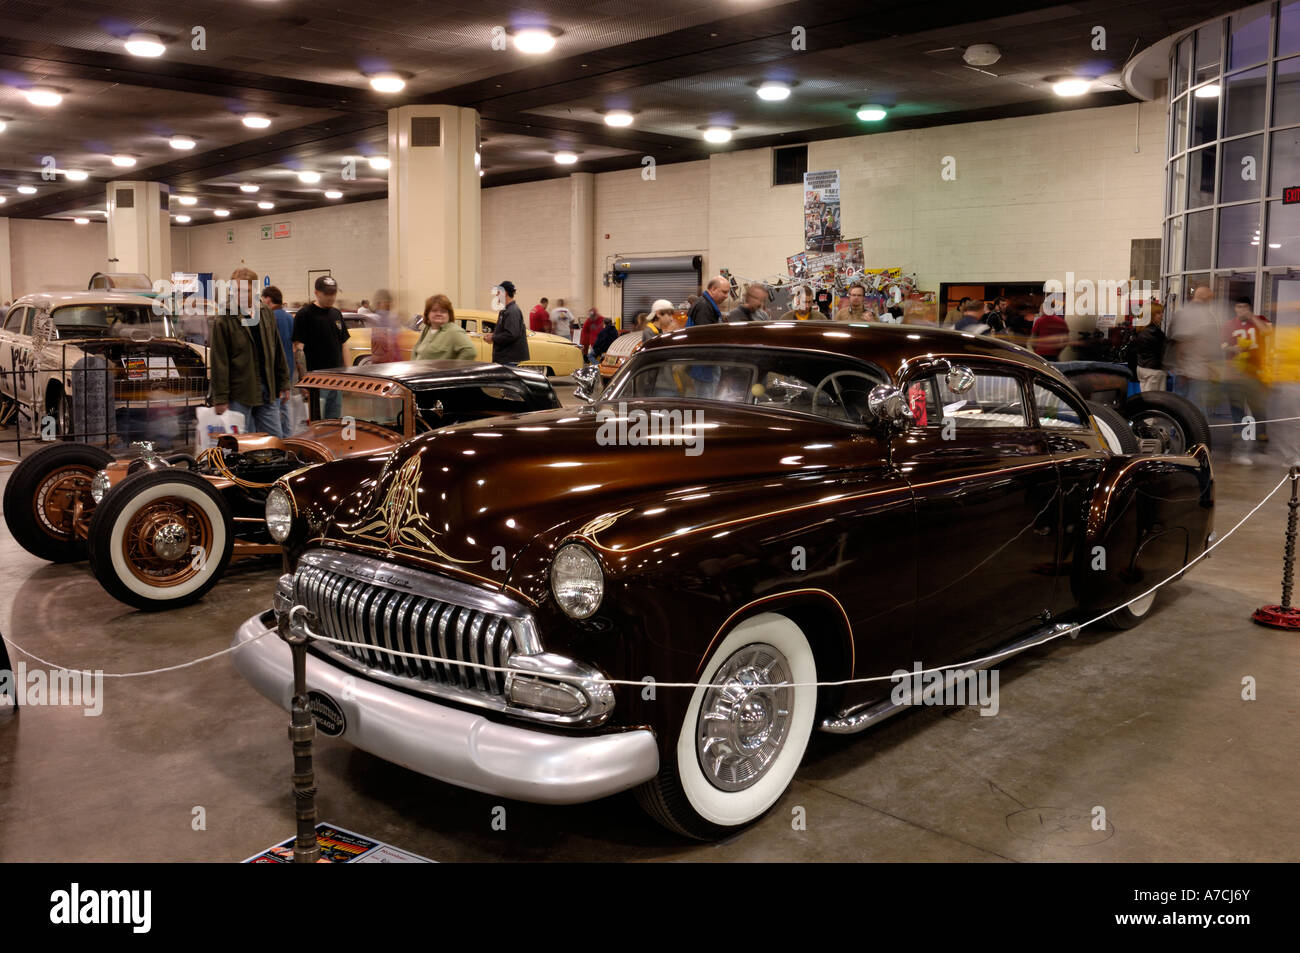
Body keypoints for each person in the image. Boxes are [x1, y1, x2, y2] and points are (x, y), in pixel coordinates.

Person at [210, 267, 291, 437]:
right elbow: (219, 361)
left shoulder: (266, 313)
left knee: (274, 440)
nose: (240, 294)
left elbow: (277, 350)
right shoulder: (224, 318)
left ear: (254, 290)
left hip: (268, 390)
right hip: (239, 392)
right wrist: (220, 398)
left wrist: (284, 383)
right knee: (241, 443)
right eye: (236, 289)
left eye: (245, 290)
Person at [292, 275, 350, 419]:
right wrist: (304, 379)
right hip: (316, 380)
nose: (331, 297)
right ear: (316, 293)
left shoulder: (336, 314)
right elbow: (298, 349)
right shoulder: (305, 314)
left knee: (334, 422)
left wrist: (350, 374)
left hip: (337, 380)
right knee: (317, 424)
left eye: (334, 294)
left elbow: (344, 344)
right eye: (327, 294)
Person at [261, 285, 296, 435]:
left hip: (274, 371)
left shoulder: (269, 318)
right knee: (285, 406)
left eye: (263, 299)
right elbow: (295, 345)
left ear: (268, 300)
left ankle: (277, 438)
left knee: (273, 408)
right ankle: (288, 436)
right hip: (288, 367)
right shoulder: (289, 318)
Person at [412, 294, 476, 361]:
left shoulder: (454, 331)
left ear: (449, 314)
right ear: (427, 313)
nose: (438, 314)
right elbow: (416, 350)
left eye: (443, 311)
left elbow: (470, 352)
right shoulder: (427, 329)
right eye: (434, 310)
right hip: (419, 370)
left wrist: (455, 369)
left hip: (438, 371)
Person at [485, 280, 528, 366]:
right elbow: (506, 331)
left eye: (498, 293)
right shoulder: (507, 310)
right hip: (505, 358)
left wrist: (493, 338)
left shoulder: (512, 311)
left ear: (505, 293)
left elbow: (511, 334)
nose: (497, 296)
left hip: (508, 359)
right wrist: (493, 335)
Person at [1134, 303, 1167, 392]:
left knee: (1146, 400)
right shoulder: (1155, 332)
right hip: (1154, 371)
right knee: (1154, 402)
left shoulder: (1141, 330)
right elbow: (1166, 351)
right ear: (1151, 316)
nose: (1162, 315)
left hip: (1142, 369)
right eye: (1158, 313)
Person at [1029, 294, 1069, 358]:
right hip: (1054, 355)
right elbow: (1066, 340)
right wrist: (1058, 350)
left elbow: (1033, 338)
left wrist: (1035, 350)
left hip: (1040, 354)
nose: (1040, 310)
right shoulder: (1061, 321)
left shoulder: (1039, 321)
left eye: (1041, 308)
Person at [369, 288, 403, 363]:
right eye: (387, 301)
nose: (389, 304)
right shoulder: (388, 317)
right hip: (389, 357)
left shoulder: (375, 318)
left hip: (383, 357)